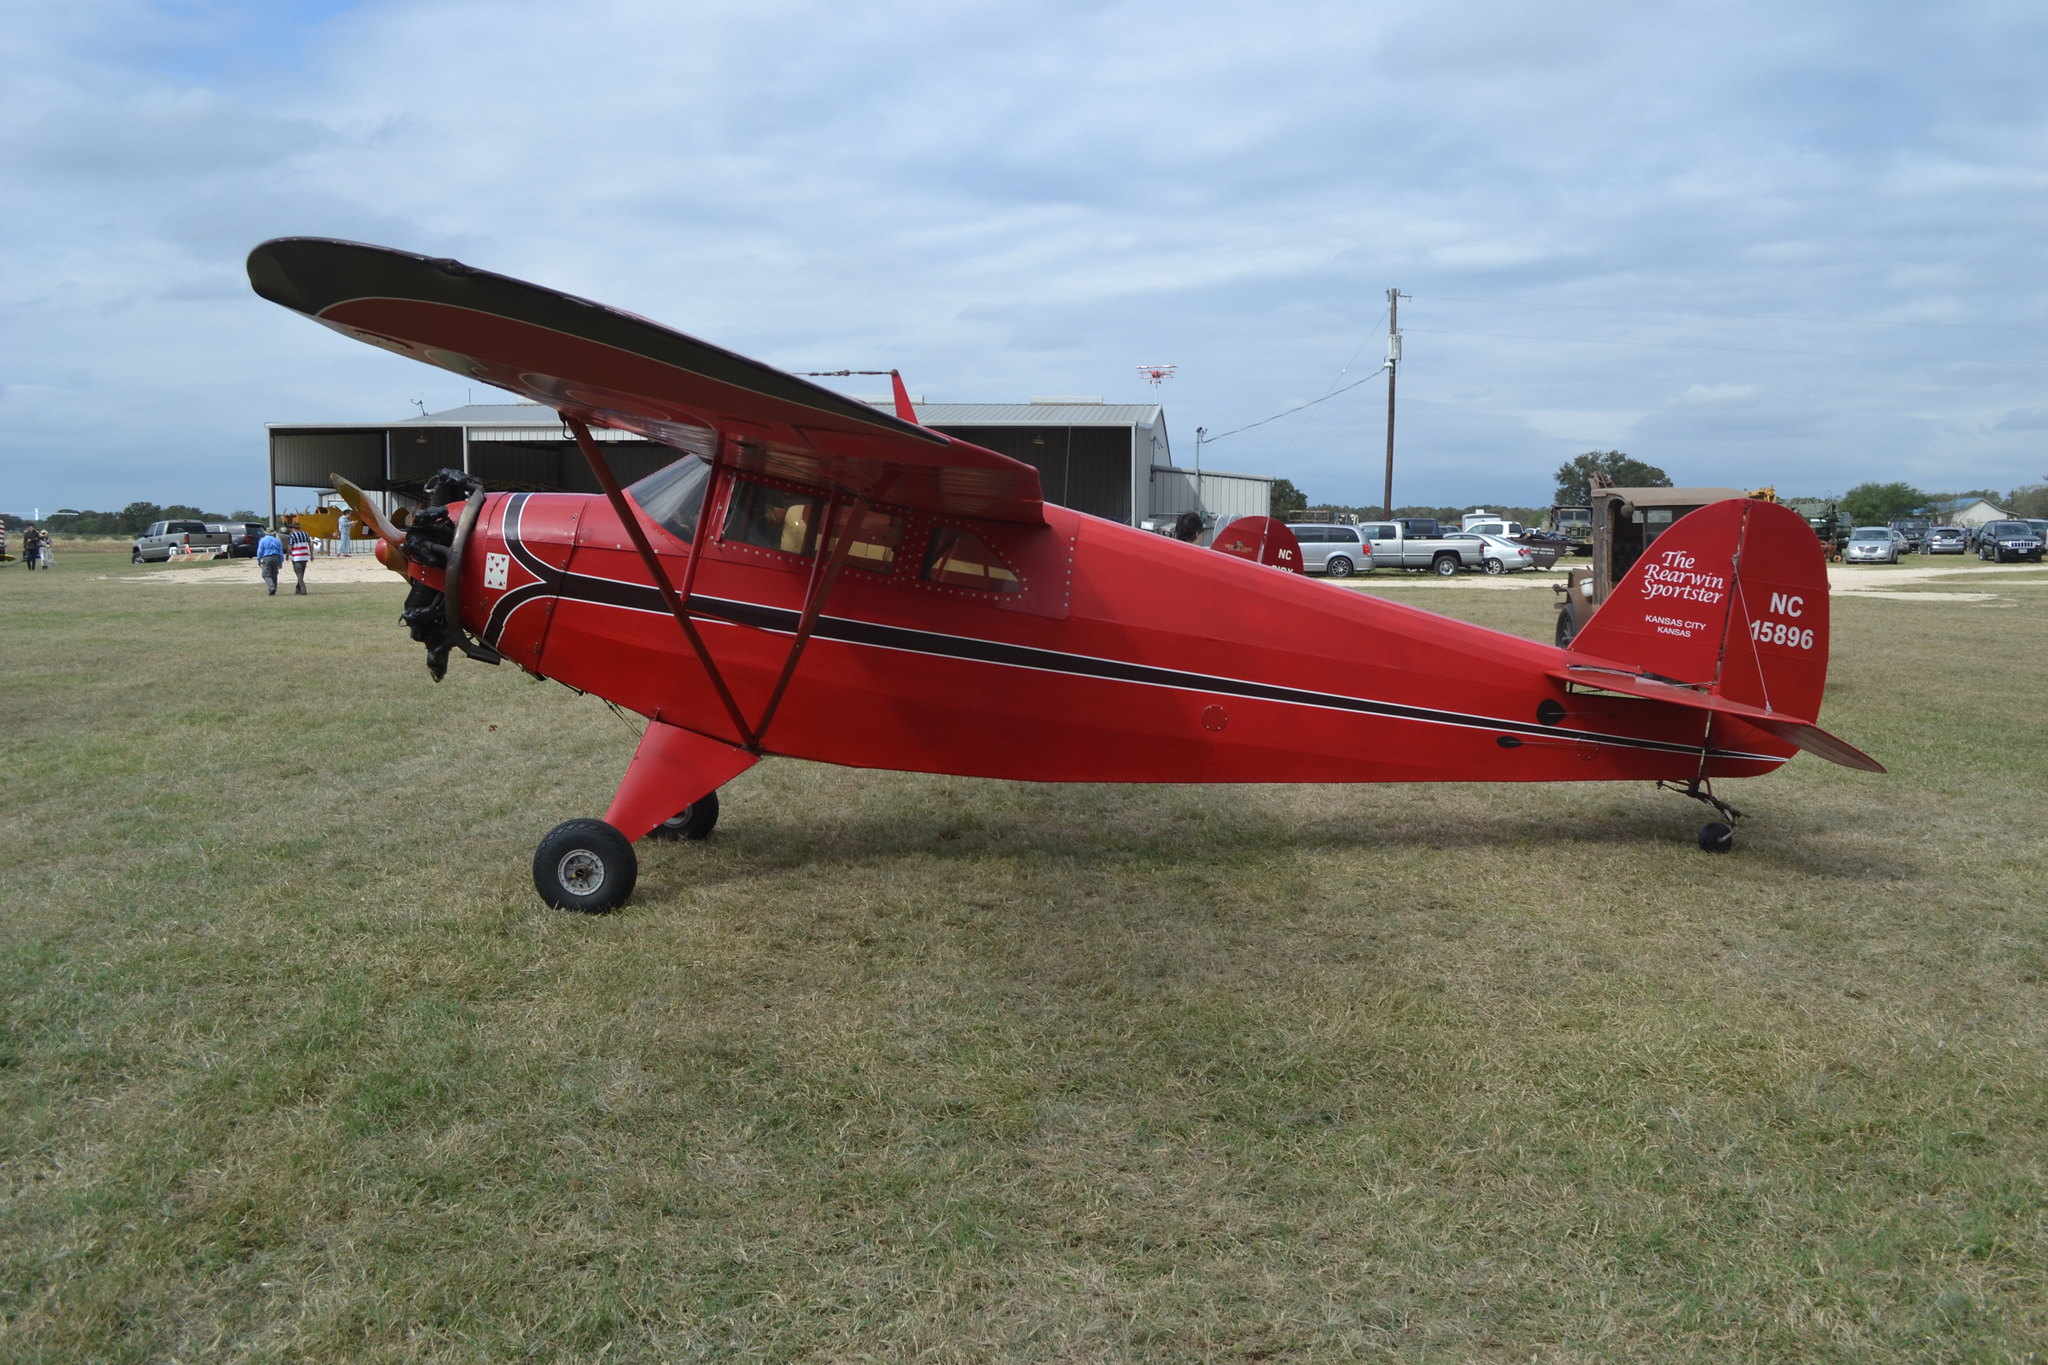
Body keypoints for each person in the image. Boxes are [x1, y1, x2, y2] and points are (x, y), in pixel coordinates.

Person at [285, 517, 313, 594]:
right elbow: (310, 545)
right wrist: (312, 555)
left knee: (298, 573)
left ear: (293, 528)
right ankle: (298, 590)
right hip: (305, 556)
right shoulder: (306, 534)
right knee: (301, 573)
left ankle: (303, 589)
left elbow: (290, 547)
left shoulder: (292, 535)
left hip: (296, 557)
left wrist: (287, 555)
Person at [256, 526, 284, 595]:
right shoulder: (277, 541)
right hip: (276, 557)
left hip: (267, 557)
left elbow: (260, 550)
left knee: (266, 574)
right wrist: (281, 561)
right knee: (274, 574)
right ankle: (274, 588)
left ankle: (271, 587)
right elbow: (280, 551)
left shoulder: (263, 540)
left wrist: (258, 559)